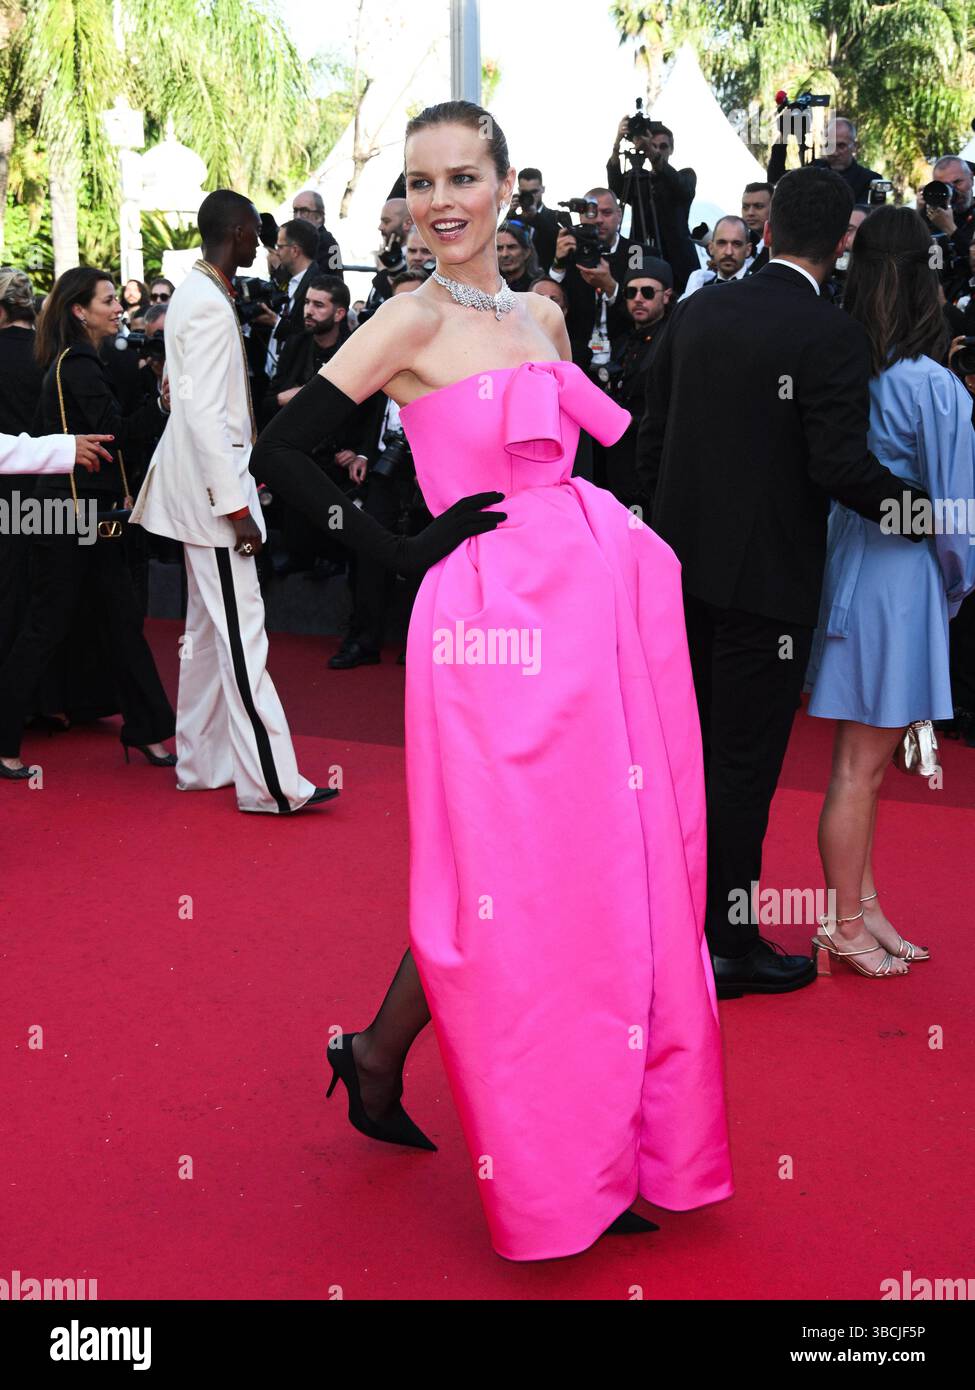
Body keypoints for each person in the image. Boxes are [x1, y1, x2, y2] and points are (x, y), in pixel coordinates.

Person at [252, 99, 733, 1263]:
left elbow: (584, 454)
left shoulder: (547, 317)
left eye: (463, 176)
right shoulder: (404, 322)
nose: (441, 202)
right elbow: (279, 449)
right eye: (421, 183)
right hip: (485, 634)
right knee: (509, 886)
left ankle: (401, 1062)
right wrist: (399, 548)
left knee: (600, 878)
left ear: (509, 187)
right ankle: (553, 1163)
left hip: (592, 620)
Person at [635, 165, 933, 1000]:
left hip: (677, 578)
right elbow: (838, 468)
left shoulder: (696, 312)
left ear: (764, 232)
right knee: (740, 770)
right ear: (841, 240)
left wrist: (661, 542)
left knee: (678, 760)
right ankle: (726, 945)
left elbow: (647, 441)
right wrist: (935, 516)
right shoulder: (828, 335)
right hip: (765, 593)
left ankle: (671, 921)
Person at [806, 206, 975, 975]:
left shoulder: (851, 370)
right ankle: (841, 923)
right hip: (900, 578)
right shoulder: (932, 386)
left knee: (860, 763)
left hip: (849, 565)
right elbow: (954, 515)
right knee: (859, 767)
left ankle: (861, 907)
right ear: (922, 279)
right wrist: (953, 585)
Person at [0, 268, 176, 781]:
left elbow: (65, 436)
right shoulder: (76, 363)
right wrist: (164, 405)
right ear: (80, 310)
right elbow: (115, 435)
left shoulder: (69, 361)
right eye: (107, 300)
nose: (118, 307)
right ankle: (6, 739)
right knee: (48, 625)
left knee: (120, 621)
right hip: (72, 519)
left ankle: (146, 729)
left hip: (79, 515)